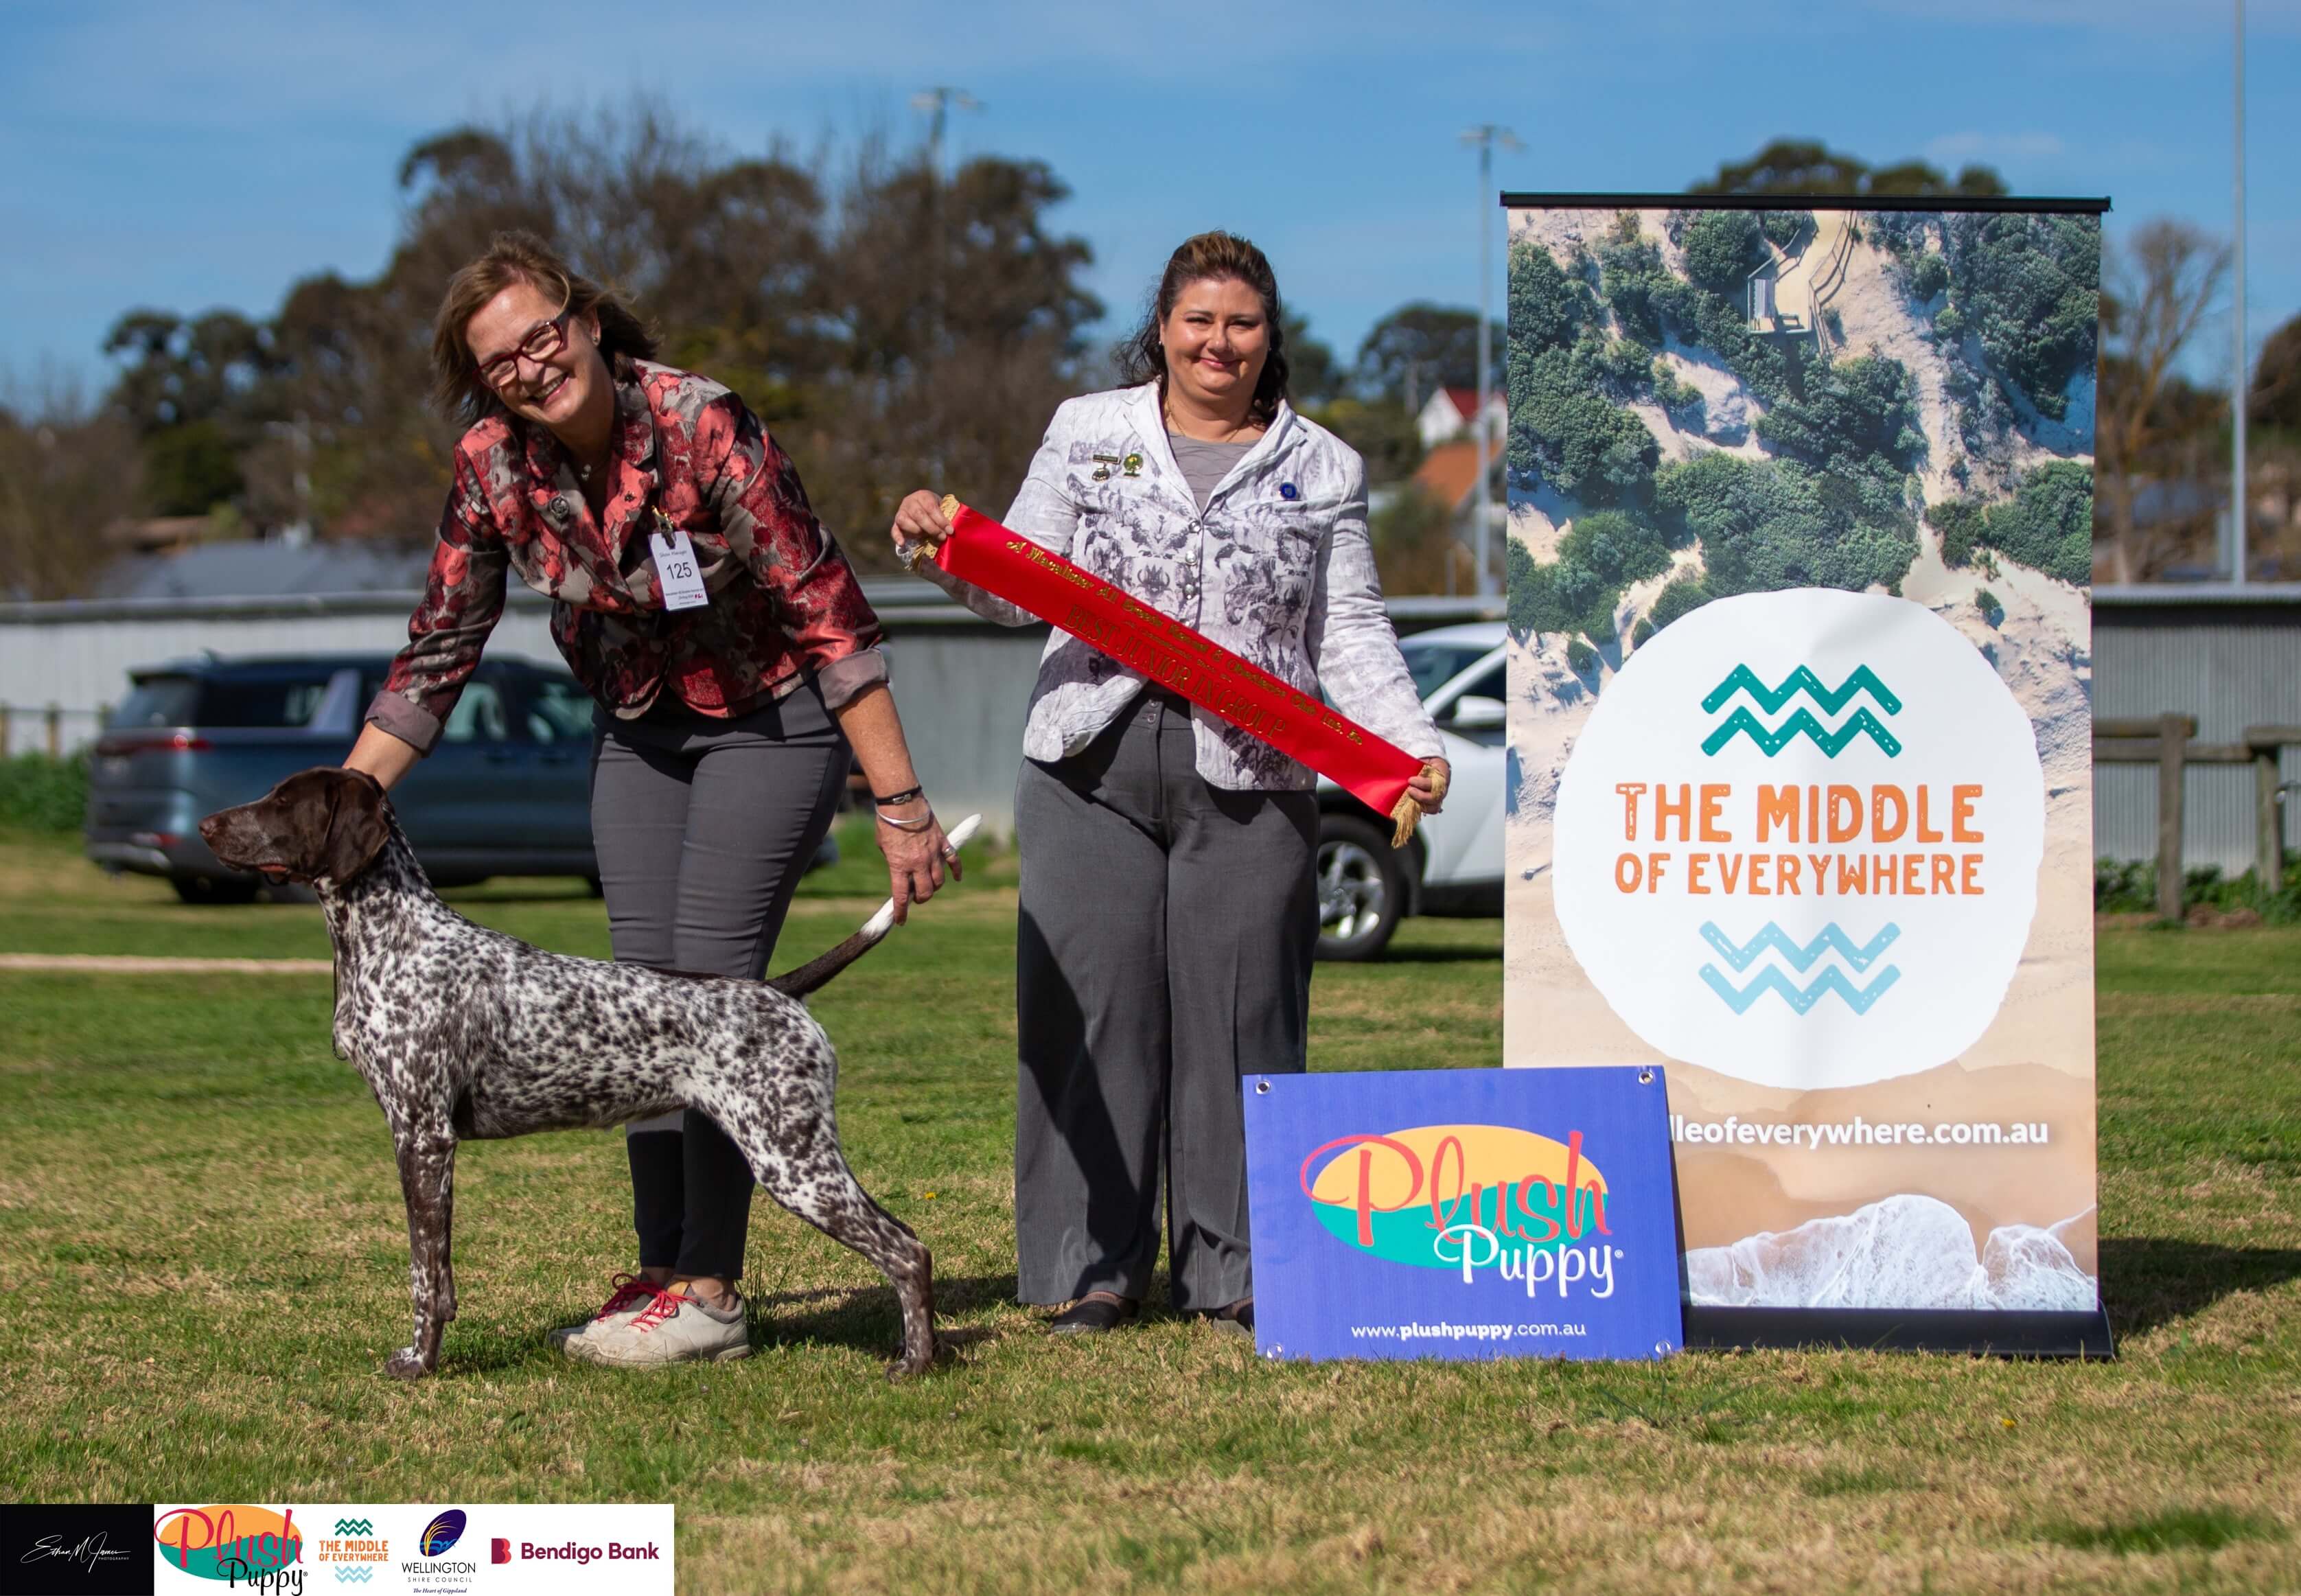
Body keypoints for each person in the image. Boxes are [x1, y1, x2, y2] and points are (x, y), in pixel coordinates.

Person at [343, 231, 957, 1367]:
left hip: (770, 717)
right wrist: (342, 804)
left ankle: (710, 1291)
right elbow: (438, 649)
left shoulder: (698, 422)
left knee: (709, 996)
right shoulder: (492, 466)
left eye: (541, 335)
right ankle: (662, 1269)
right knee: (637, 1006)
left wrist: (902, 800)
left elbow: (827, 610)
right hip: (638, 728)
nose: (530, 366)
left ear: (586, 321)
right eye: (499, 361)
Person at [890, 231, 1446, 1335]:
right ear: (1162, 328)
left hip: (1256, 777)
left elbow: (1349, 630)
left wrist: (1405, 740)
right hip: (1085, 764)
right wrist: (942, 543)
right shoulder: (1086, 429)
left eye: (1242, 323)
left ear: (1271, 337)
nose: (1218, 342)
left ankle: (1234, 1269)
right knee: (1093, 1017)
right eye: (1199, 320)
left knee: (1246, 1018)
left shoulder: (1326, 466)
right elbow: (1018, 586)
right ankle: (1092, 1267)